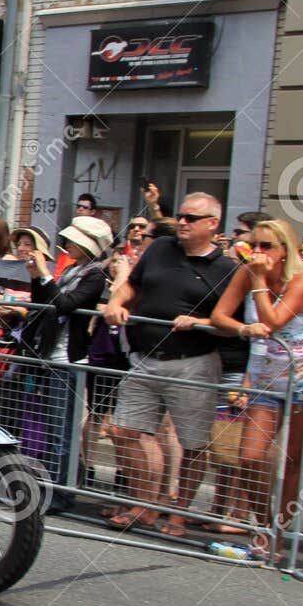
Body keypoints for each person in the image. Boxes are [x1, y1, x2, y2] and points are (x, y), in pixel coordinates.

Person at [102, 192, 236, 539]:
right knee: (123, 431)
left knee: (192, 443)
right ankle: (144, 505)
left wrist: (200, 321)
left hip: (193, 363)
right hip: (145, 357)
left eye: (192, 218)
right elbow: (131, 285)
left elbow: (232, 320)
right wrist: (116, 302)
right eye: (181, 215)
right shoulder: (161, 248)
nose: (183, 222)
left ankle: (177, 514)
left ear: (212, 224)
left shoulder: (227, 269)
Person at [210, 219, 303, 560]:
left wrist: (258, 280)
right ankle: (263, 526)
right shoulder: (246, 274)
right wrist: (244, 329)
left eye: (266, 247)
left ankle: (276, 536)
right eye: (254, 245)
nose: (257, 252)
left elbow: (273, 321)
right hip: (265, 378)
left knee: (292, 461)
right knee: (250, 457)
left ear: (284, 251)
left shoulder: (300, 280)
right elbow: (220, 316)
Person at [15, 216, 113, 511]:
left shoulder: (95, 276)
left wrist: (45, 273)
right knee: (52, 427)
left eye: (72, 239)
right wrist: (35, 276)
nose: (67, 244)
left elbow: (66, 305)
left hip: (69, 360)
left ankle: (63, 492)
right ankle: (53, 485)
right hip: (50, 355)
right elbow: (46, 301)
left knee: (63, 430)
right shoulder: (73, 269)